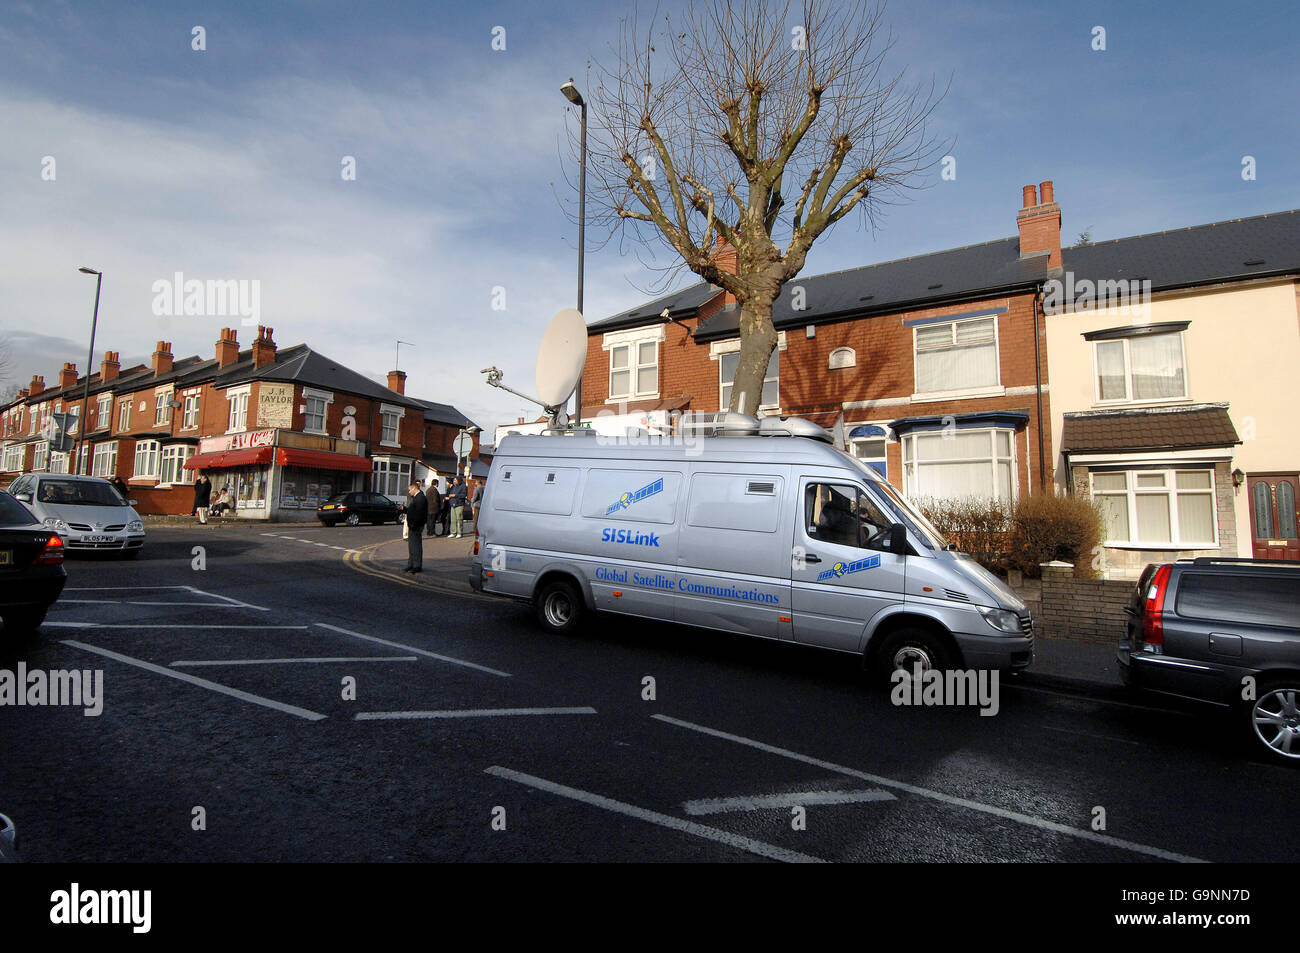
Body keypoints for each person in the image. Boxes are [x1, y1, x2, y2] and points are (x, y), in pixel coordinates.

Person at [402, 480, 428, 573]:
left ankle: (417, 566)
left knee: (416, 546)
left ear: (414, 488)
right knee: (411, 546)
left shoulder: (420, 498)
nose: (409, 492)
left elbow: (419, 513)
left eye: (410, 490)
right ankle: (411, 564)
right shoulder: (416, 497)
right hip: (413, 525)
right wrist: (405, 509)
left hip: (416, 525)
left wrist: (414, 524)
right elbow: (412, 510)